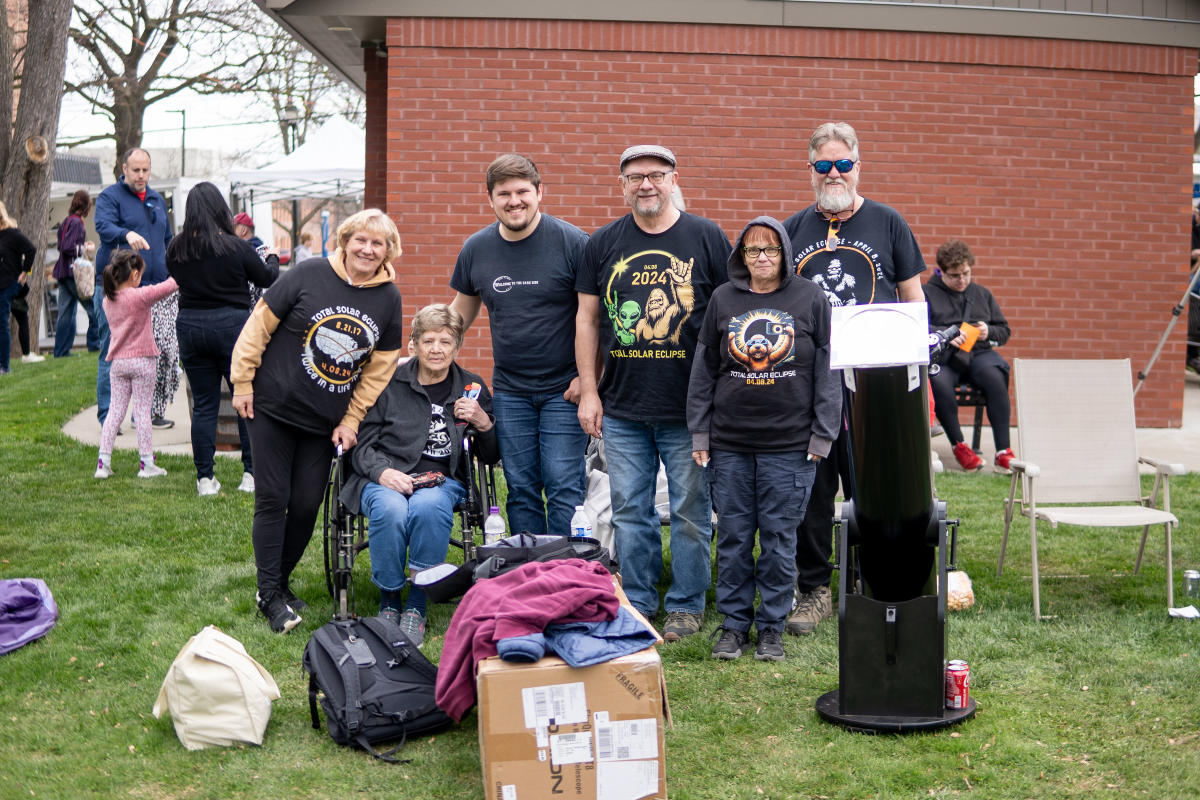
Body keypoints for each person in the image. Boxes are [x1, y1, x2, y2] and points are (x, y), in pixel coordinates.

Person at [576, 144, 731, 640]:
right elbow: (587, 319)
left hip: (689, 409)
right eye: (636, 176)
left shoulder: (706, 237)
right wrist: (589, 393)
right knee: (629, 510)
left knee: (689, 511)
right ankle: (638, 598)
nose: (646, 184)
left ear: (673, 179)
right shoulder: (602, 244)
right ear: (622, 184)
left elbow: (728, 315)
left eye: (656, 175)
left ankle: (687, 604)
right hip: (622, 406)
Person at [782, 122, 926, 636]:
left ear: (858, 166)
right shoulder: (790, 229)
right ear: (811, 169)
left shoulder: (888, 223)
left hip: (876, 388)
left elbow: (914, 301)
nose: (834, 173)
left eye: (843, 163)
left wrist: (918, 375)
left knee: (874, 487)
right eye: (823, 164)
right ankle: (815, 588)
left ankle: (874, 580)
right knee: (813, 491)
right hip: (806, 388)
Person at [231, 208, 405, 634]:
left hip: (324, 421)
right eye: (360, 239)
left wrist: (351, 419)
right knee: (273, 497)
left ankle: (278, 582)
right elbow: (258, 328)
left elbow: (379, 370)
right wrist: (242, 382)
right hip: (271, 406)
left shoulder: (388, 298)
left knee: (307, 503)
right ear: (344, 240)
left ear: (387, 251)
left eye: (377, 243)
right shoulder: (307, 274)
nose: (367, 249)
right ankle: (270, 594)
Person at [688, 216, 840, 662]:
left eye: (771, 250)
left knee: (778, 538)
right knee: (734, 536)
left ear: (785, 254)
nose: (762, 258)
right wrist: (701, 430)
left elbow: (829, 370)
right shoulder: (723, 299)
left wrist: (821, 434)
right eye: (753, 250)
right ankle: (734, 624)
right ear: (741, 256)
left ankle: (771, 626)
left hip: (791, 446)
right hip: (729, 443)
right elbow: (704, 370)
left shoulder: (810, 297)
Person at [340, 304, 500, 646]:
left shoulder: (471, 387)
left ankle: (416, 604)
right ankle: (389, 600)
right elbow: (362, 443)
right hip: (382, 477)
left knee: (429, 507)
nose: (437, 349)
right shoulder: (387, 382)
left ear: (457, 347)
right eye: (428, 341)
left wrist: (483, 423)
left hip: (442, 482)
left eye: (445, 341)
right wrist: (383, 473)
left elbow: (490, 455)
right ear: (412, 345)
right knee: (391, 509)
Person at [450, 154, 590, 536]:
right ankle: (529, 573)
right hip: (511, 390)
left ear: (540, 192)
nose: (515, 201)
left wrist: (589, 380)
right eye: (504, 194)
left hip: (566, 388)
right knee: (522, 487)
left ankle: (566, 575)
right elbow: (457, 316)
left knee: (564, 485)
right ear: (490, 199)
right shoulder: (476, 249)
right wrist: (418, 357)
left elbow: (600, 318)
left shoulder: (574, 244)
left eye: (523, 191)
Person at [167, 182, 279, 496]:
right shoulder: (236, 246)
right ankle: (251, 474)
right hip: (232, 327)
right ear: (221, 209)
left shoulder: (177, 248)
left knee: (204, 406)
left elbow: (179, 278)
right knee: (245, 399)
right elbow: (267, 278)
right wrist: (271, 257)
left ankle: (205, 479)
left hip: (190, 326)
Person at [93, 148, 176, 430]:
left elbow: (167, 238)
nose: (141, 176)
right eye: (136, 170)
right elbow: (103, 226)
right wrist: (125, 234)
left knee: (150, 354)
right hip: (116, 290)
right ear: (125, 168)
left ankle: (145, 414)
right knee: (112, 350)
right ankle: (108, 418)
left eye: (146, 170)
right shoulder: (110, 197)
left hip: (150, 290)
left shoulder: (156, 199)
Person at [924, 239, 1013, 472]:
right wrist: (943, 335)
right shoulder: (926, 293)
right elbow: (919, 327)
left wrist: (988, 331)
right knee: (938, 381)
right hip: (945, 357)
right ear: (940, 271)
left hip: (979, 354)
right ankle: (960, 445)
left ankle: (1003, 451)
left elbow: (1004, 332)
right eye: (954, 276)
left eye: (965, 273)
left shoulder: (982, 294)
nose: (961, 280)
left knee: (995, 377)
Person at [93, 250, 178, 480]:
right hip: (142, 362)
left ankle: (103, 462)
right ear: (135, 275)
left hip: (118, 363)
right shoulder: (140, 297)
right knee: (141, 412)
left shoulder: (107, 300)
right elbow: (169, 286)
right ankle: (147, 463)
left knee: (114, 412)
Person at [53, 189, 99, 357]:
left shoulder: (66, 221)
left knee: (65, 313)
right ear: (86, 206)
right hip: (73, 273)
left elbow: (61, 245)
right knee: (94, 308)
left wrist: (79, 246)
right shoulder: (78, 223)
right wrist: (84, 248)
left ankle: (60, 351)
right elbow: (67, 248)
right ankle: (94, 344)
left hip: (62, 272)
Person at [0, 200, 37, 376]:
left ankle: (5, 366)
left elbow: (31, 249)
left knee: (4, 323)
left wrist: (24, 272)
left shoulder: (12, 234)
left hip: (9, 285)